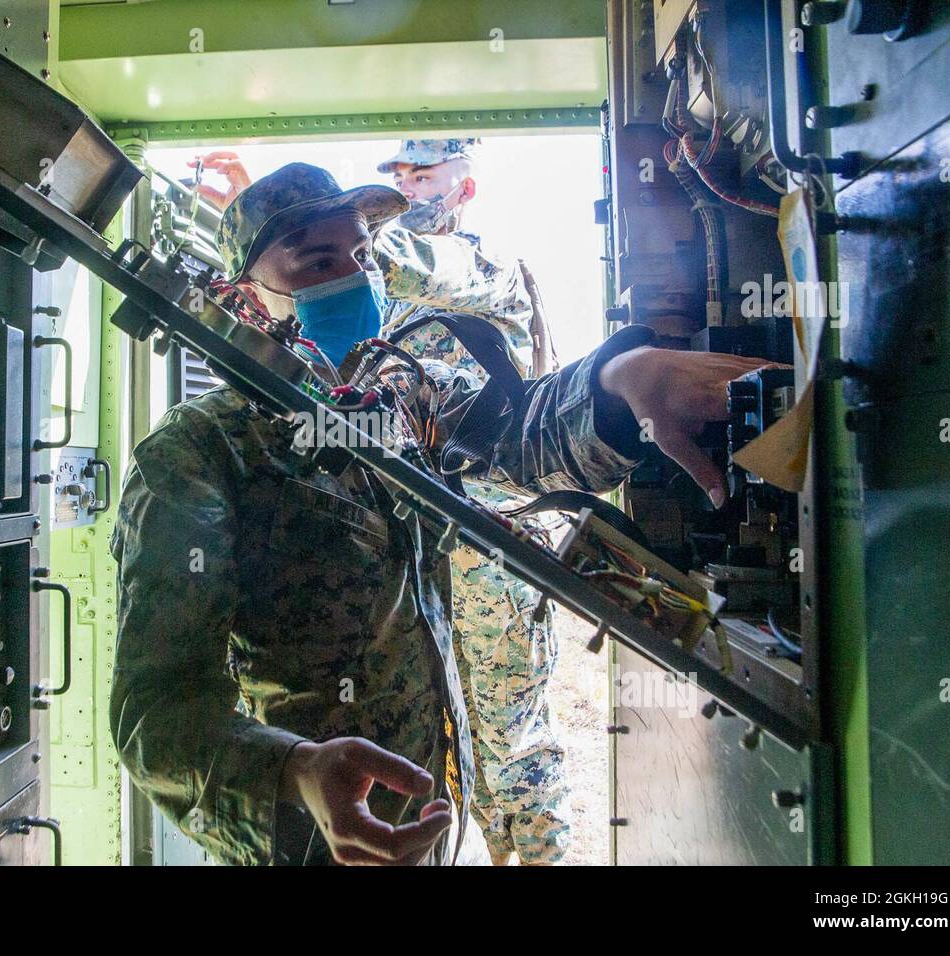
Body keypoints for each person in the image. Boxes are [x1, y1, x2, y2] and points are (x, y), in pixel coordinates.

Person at [110, 162, 770, 866]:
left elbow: (521, 431)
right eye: (318, 260)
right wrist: (295, 772)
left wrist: (615, 383)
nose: (353, 276)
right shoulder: (197, 453)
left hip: (427, 826)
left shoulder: (401, 399)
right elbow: (156, 715)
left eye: (362, 253)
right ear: (248, 296)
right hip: (316, 843)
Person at [199, 140, 573, 864]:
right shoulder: (220, 440)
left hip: (489, 552)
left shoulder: (478, 272)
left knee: (511, 748)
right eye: (402, 177)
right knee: (412, 748)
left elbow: (522, 423)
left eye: (424, 177)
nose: (355, 272)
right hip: (404, 571)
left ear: (465, 186)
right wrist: (261, 237)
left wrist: (294, 231)